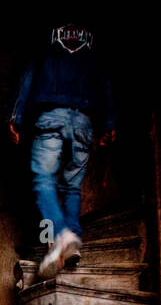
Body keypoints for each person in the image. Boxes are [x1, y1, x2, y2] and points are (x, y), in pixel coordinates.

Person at [9, 22, 116, 278]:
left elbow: (27, 78)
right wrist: (108, 124)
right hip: (84, 122)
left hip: (51, 117)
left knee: (44, 180)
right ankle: (73, 238)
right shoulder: (93, 49)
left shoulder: (44, 42)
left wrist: (16, 117)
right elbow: (105, 84)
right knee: (71, 186)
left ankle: (60, 236)